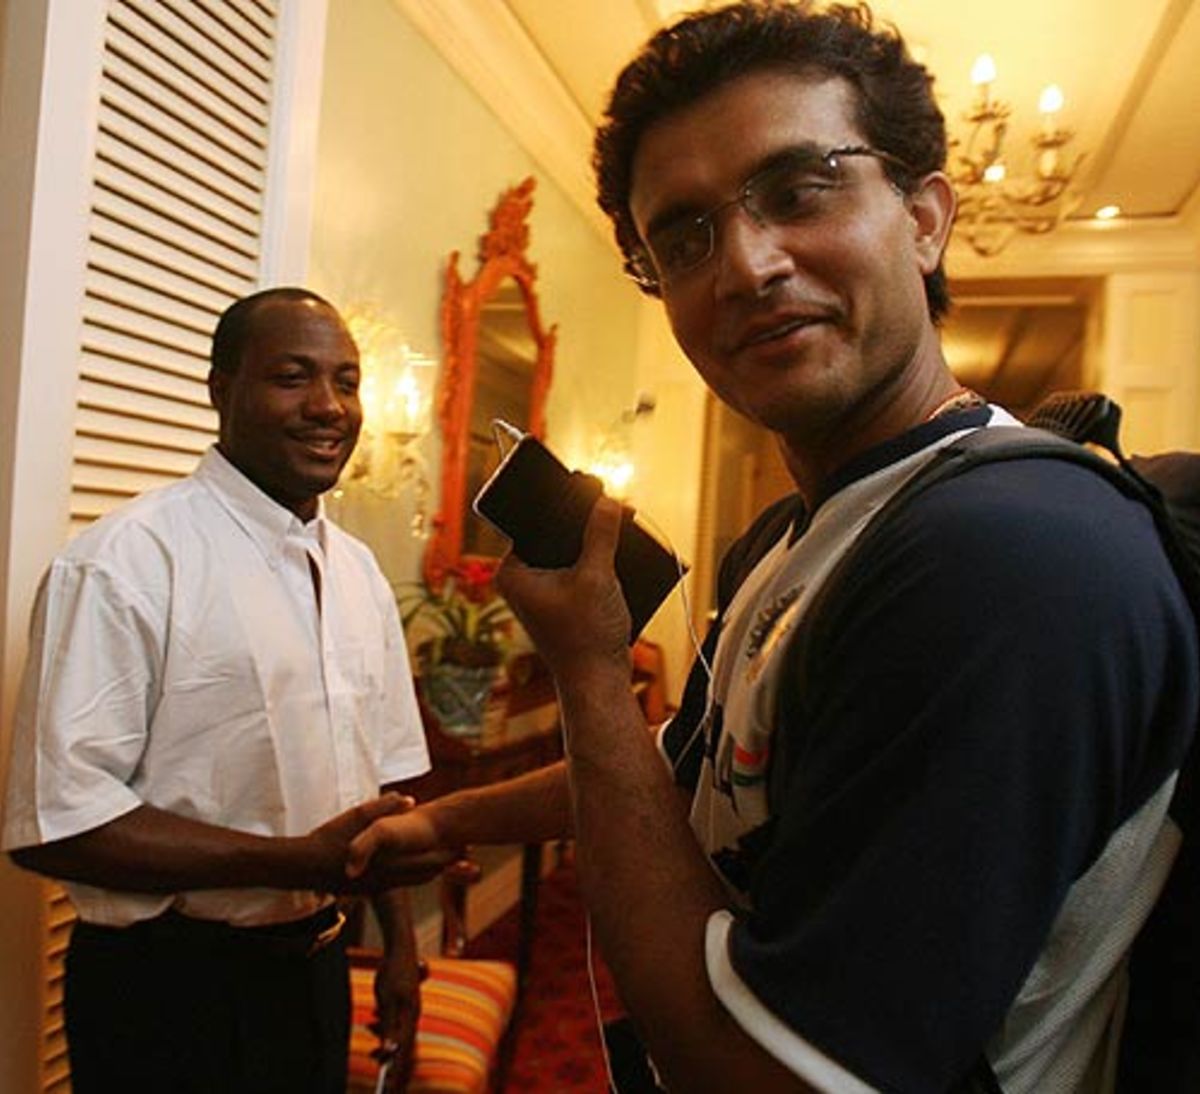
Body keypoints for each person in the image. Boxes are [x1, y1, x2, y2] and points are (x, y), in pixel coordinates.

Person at [347, 4, 1199, 1092]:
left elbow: (768, 1076)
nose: (745, 265)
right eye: (686, 236)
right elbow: (681, 767)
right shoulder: (795, 535)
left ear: (926, 216)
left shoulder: (1005, 555)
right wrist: (449, 816)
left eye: (799, 190)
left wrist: (591, 665)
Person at [2, 287, 451, 1093]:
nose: (328, 407)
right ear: (222, 389)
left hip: (317, 973)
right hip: (167, 991)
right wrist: (294, 862)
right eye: (292, 377)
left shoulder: (358, 574)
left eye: (346, 382)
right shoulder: (125, 562)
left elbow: (382, 790)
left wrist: (400, 954)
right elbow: (55, 824)